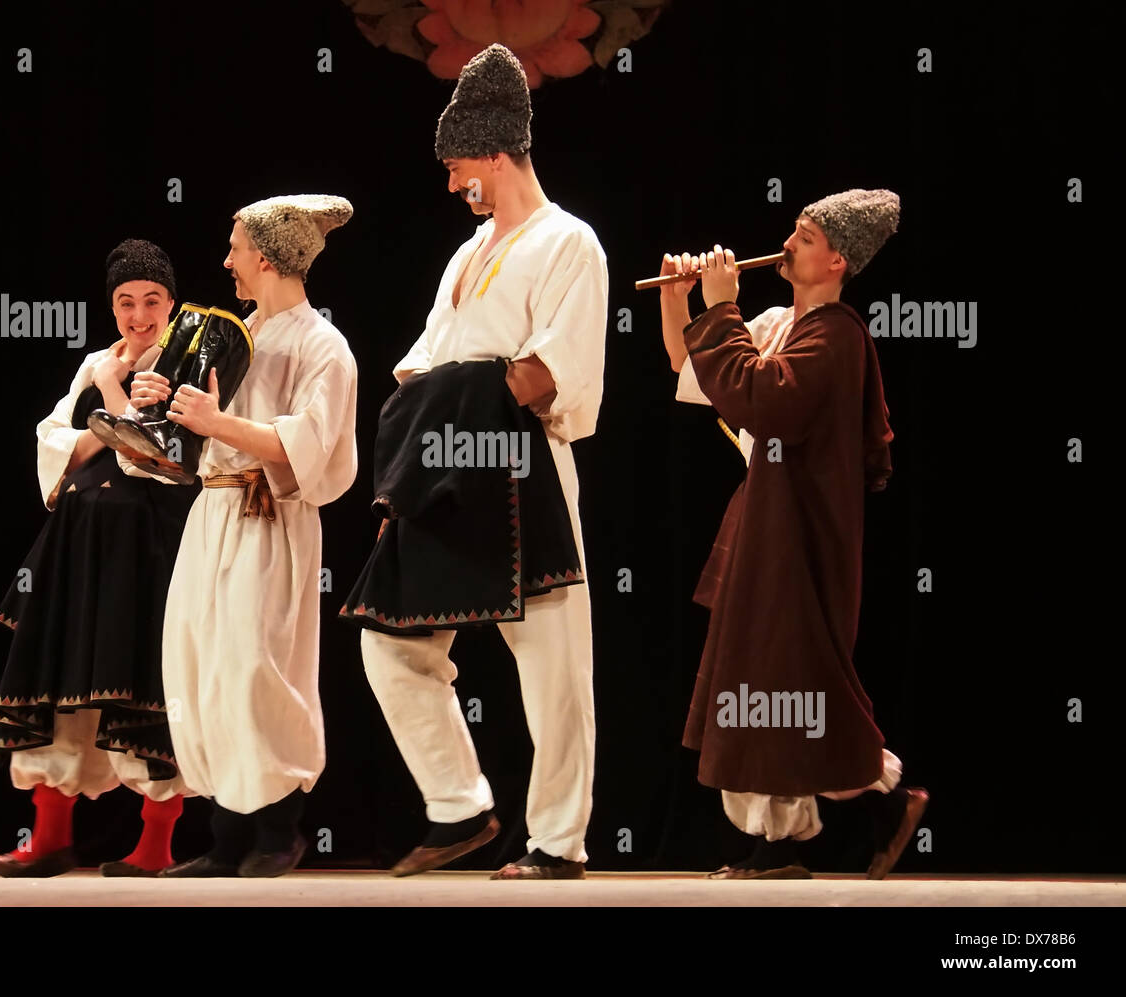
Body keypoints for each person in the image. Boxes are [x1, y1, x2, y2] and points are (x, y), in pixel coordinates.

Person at [346, 44, 607, 880]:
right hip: (447, 461)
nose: (453, 182)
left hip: (520, 462)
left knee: (553, 665)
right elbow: (419, 364)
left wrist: (471, 385)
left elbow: (544, 375)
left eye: (460, 165)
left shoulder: (570, 243)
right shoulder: (466, 255)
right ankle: (461, 806)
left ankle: (557, 842)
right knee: (391, 644)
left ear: (497, 155)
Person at [658, 189, 927, 880]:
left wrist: (721, 307)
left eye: (805, 237)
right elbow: (702, 376)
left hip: (800, 529)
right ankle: (805, 829)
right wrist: (679, 296)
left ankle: (859, 807)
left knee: (786, 675)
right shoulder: (784, 323)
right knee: (762, 676)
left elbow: (766, 399)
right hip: (768, 517)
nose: (789, 242)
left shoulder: (837, 335)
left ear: (836, 260)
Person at [128, 196, 358, 878]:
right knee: (206, 668)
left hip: (267, 517)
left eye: (234, 248)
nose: (226, 261)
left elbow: (312, 446)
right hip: (214, 512)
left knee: (260, 667)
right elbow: (189, 435)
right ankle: (226, 838)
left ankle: (277, 832)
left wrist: (212, 420)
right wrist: (158, 405)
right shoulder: (230, 334)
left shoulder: (323, 344)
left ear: (264, 256)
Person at [0, 239, 196, 878]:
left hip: (146, 547)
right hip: (79, 544)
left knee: (144, 683)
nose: (138, 315)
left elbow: (155, 455)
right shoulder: (95, 363)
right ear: (112, 307)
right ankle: (49, 839)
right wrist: (104, 403)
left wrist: (112, 403)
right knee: (62, 678)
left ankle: (155, 848)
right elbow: (53, 439)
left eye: (151, 301)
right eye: (126, 303)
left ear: (171, 305)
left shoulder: (182, 365)